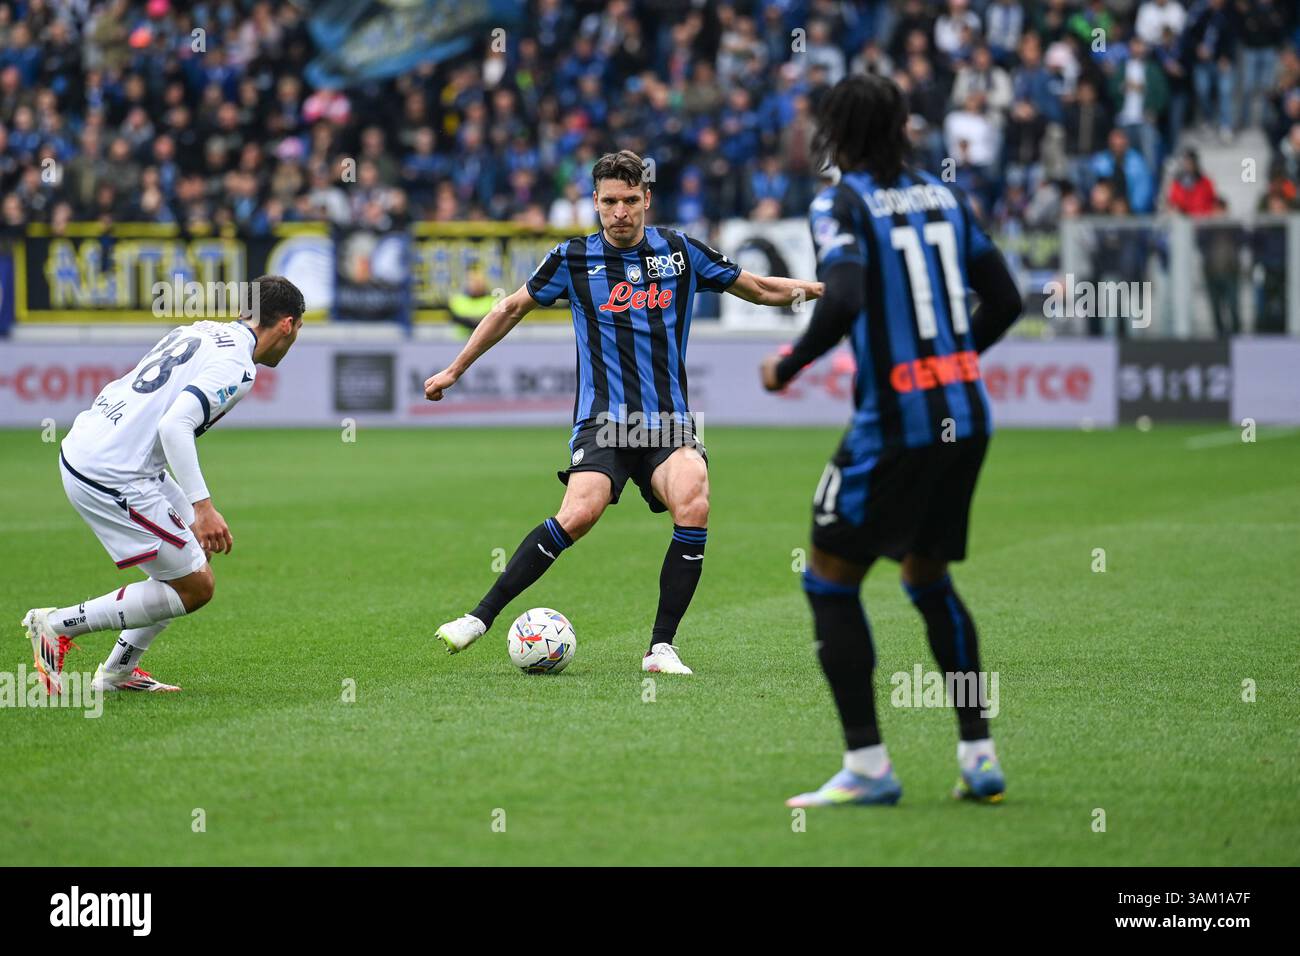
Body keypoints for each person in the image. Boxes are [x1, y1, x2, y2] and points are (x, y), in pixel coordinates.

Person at [426, 149, 822, 674]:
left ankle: (661, 648)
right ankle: (479, 617)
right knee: (580, 512)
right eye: (609, 201)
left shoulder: (679, 252)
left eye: (630, 200)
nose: (619, 212)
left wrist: (817, 290)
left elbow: (757, 287)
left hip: (667, 422)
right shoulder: (572, 258)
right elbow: (508, 308)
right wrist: (455, 369)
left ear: (646, 200)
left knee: (694, 499)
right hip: (605, 421)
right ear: (594, 202)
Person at [759, 74, 1023, 807]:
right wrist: (954, 357)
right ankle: (978, 757)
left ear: (836, 131)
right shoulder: (944, 196)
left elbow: (841, 298)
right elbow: (1006, 299)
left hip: (895, 425)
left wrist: (788, 364)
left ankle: (869, 767)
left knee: (828, 578)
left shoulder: (840, 202)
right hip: (966, 416)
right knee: (926, 578)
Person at [21, 276, 305, 694]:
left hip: (97, 446)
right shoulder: (238, 365)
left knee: (191, 557)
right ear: (287, 324)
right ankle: (56, 626)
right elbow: (175, 425)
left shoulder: (201, 329)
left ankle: (118, 672)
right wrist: (203, 506)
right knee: (196, 586)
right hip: (112, 472)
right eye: (299, 328)